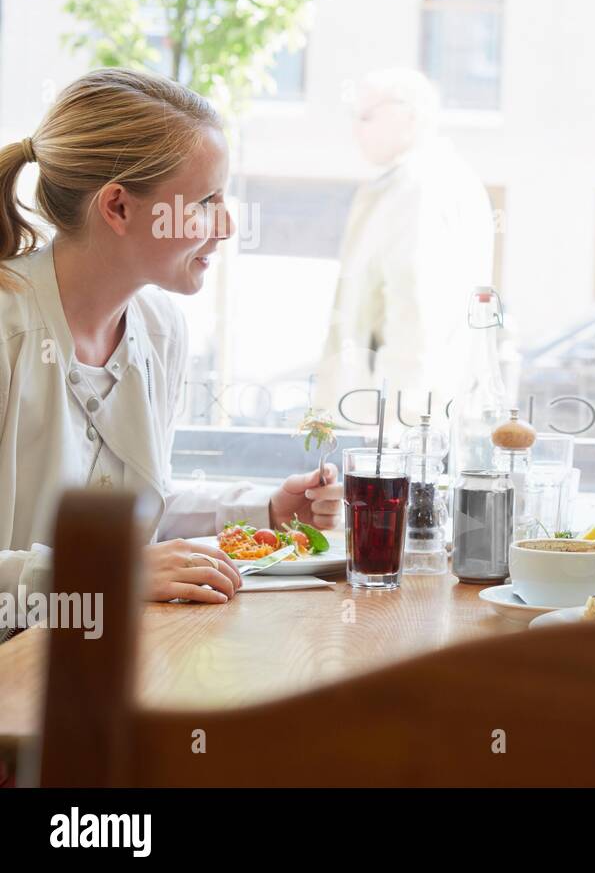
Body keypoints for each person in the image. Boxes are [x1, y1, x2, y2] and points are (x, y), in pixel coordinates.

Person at [0, 69, 343, 623]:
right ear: (118, 208)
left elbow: (135, 509)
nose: (229, 225)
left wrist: (268, 510)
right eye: (207, 200)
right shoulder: (7, 329)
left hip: (101, 661)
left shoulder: (160, 329)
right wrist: (108, 573)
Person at [315, 68, 496, 430]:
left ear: (407, 116)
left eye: (366, 117)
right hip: (415, 411)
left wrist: (397, 415)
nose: (356, 129)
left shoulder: (417, 189)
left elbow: (414, 304)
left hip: (392, 420)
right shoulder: (442, 180)